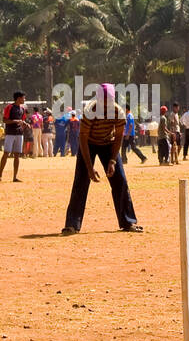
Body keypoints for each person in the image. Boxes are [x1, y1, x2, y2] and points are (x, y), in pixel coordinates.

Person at [60, 83, 143, 235]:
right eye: (102, 104)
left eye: (108, 103)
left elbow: (118, 138)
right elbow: (83, 139)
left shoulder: (119, 112)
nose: (105, 107)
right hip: (89, 144)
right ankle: (72, 224)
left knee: (120, 181)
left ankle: (128, 222)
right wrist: (89, 167)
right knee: (80, 181)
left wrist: (112, 161)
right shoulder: (89, 111)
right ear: (97, 100)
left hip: (109, 144)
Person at [0, 91, 27, 182]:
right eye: (23, 98)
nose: (24, 100)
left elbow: (22, 120)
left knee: (17, 155)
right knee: (6, 153)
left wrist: (24, 124)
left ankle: (15, 177)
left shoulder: (22, 109)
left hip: (19, 133)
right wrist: (16, 121)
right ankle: (0, 176)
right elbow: (5, 120)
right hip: (10, 133)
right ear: (18, 98)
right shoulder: (9, 107)